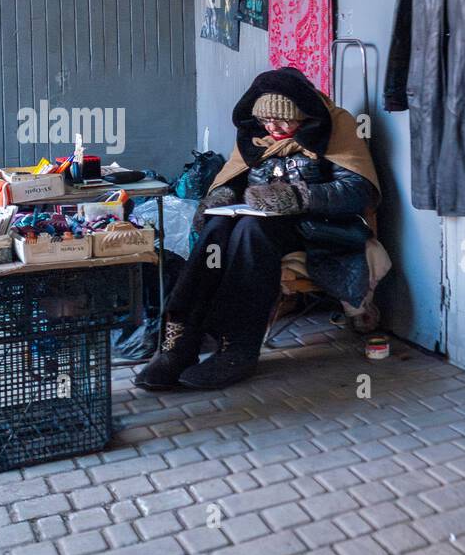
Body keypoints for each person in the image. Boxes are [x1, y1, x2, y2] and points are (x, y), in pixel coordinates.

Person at [135, 67, 385, 391]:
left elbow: (358, 190)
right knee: (218, 228)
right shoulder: (255, 133)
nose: (273, 128)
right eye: (267, 121)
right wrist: (221, 196)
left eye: (283, 121)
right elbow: (235, 177)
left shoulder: (337, 125)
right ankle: (178, 345)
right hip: (262, 218)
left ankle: (238, 348)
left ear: (304, 116)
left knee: (250, 231)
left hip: (316, 224)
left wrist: (297, 195)